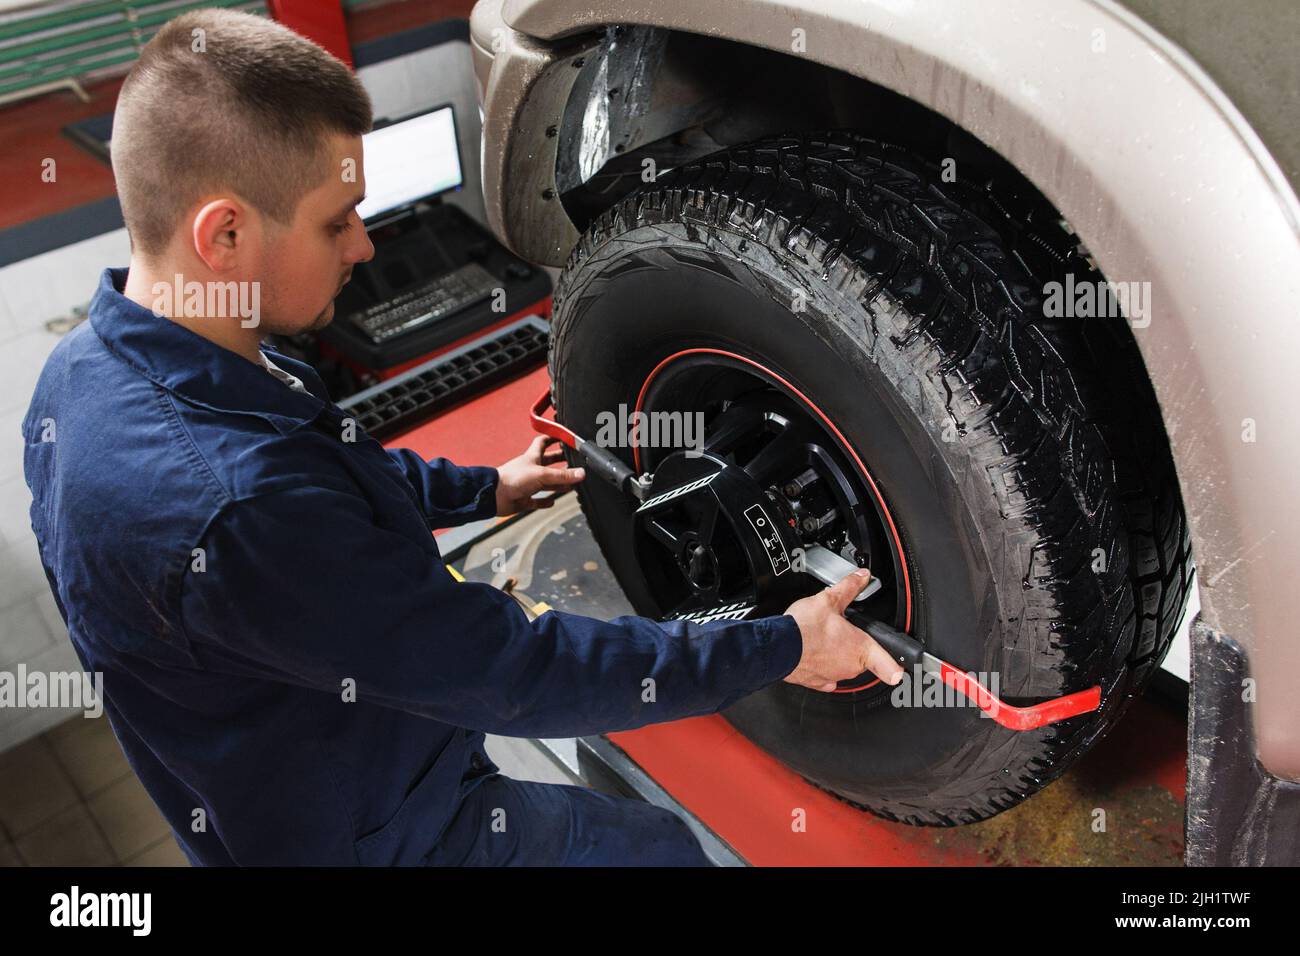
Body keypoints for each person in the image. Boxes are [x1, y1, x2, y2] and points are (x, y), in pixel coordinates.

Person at [21, 8, 902, 866]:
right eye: (337, 221)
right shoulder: (237, 511)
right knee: (661, 850)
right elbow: (516, 671)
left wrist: (481, 488)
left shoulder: (88, 370)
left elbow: (328, 476)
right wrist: (780, 645)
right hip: (378, 832)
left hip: (279, 772)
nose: (364, 247)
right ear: (224, 233)